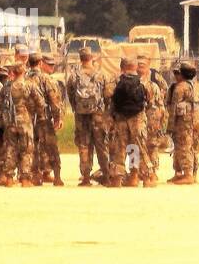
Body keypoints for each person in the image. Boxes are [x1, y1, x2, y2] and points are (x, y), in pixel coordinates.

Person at [66, 46, 108, 186]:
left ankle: (85, 177)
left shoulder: (74, 76)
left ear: (80, 59)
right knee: (101, 144)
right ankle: (106, 174)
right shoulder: (100, 75)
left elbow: (70, 94)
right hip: (98, 115)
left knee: (84, 145)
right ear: (92, 58)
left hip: (81, 115)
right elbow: (107, 95)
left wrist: (76, 107)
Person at [0, 59, 41, 187]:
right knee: (26, 149)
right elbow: (40, 102)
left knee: (10, 148)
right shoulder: (29, 85)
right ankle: (25, 179)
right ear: (23, 71)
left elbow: (0, 104)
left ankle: (9, 178)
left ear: (13, 72)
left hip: (10, 121)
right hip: (25, 121)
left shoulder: (7, 86)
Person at [108, 57, 148, 188]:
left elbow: (110, 97)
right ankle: (137, 177)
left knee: (120, 148)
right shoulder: (143, 82)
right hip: (137, 119)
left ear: (122, 68)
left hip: (121, 119)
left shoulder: (116, 82)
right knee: (136, 148)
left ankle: (117, 179)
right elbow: (149, 100)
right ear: (135, 67)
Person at [35, 53, 66, 186]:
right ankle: (56, 176)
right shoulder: (47, 80)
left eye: (53, 65)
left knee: (34, 147)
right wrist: (58, 118)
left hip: (32, 119)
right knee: (51, 147)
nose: (52, 67)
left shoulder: (27, 78)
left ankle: (38, 174)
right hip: (44, 118)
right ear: (41, 63)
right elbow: (54, 101)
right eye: (49, 65)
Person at [167, 62, 197, 184]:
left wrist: (170, 126)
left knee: (184, 147)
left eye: (177, 73)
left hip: (182, 123)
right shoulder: (192, 85)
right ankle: (181, 173)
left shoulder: (180, 88)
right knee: (183, 147)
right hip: (190, 121)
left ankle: (188, 174)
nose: (175, 76)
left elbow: (174, 108)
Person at [136, 56, 163, 187]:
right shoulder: (150, 85)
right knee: (146, 145)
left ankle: (141, 172)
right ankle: (146, 171)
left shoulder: (152, 80)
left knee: (145, 145)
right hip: (146, 117)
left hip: (145, 117)